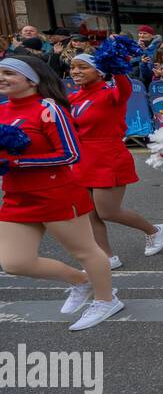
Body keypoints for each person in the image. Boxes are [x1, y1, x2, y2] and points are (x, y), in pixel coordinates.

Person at [0, 56, 122, 331]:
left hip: (56, 193)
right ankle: (81, 281)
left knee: (86, 251)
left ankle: (107, 299)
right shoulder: (2, 109)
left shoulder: (49, 109)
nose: (2, 78)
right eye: (0, 73)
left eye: (9, 73)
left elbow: (70, 154)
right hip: (16, 195)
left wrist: (18, 162)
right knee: (15, 263)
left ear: (31, 80)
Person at [67, 53, 163, 269]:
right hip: (82, 159)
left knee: (108, 211)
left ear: (99, 71)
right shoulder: (74, 97)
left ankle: (153, 230)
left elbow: (124, 86)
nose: (75, 72)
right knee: (89, 213)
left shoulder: (112, 94)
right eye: (73, 67)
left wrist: (117, 65)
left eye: (82, 67)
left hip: (108, 156)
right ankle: (106, 256)